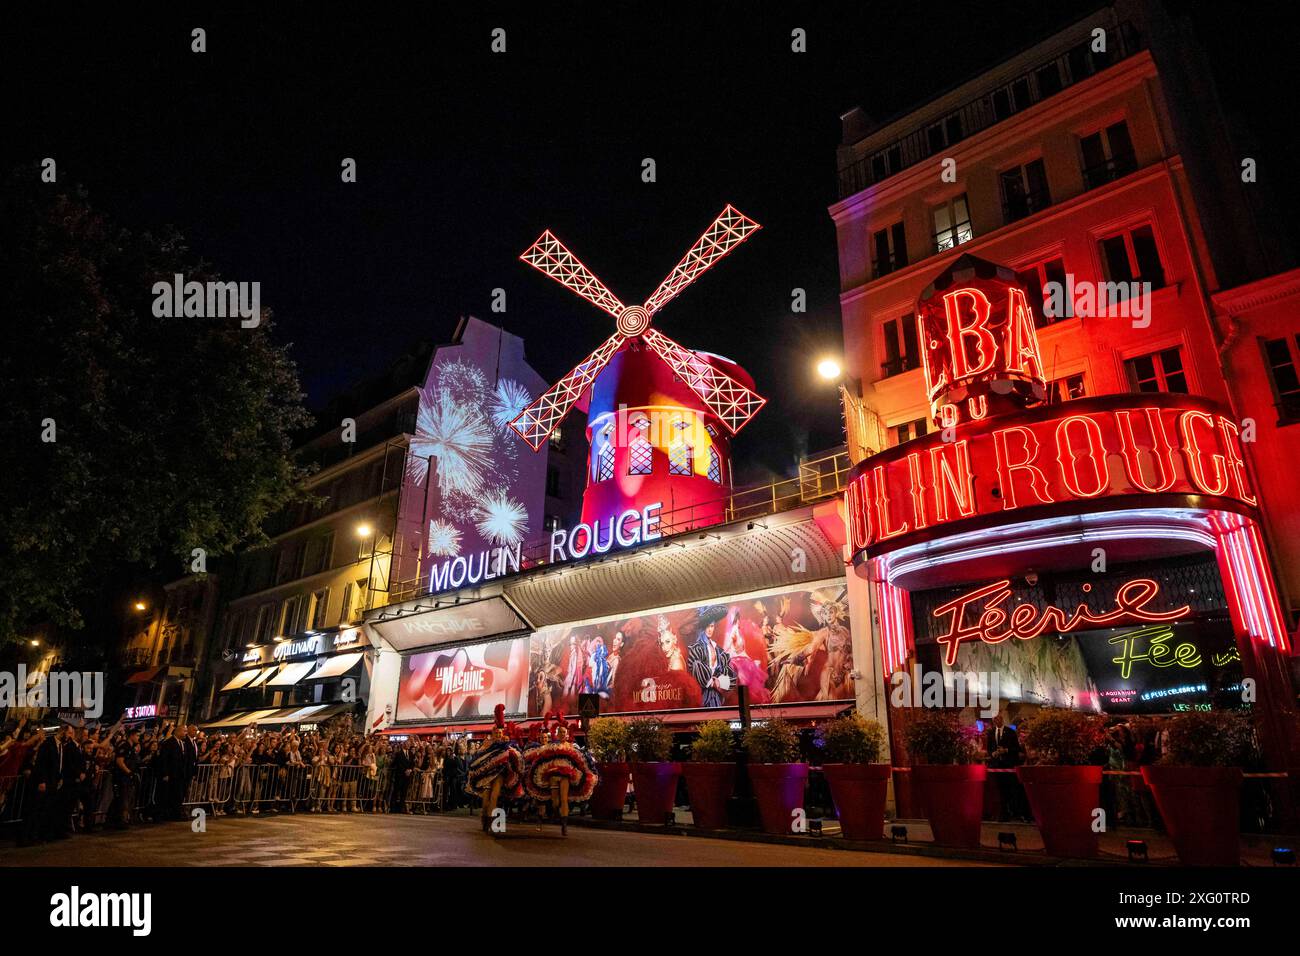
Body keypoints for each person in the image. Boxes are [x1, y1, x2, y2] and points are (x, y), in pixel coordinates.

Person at [523, 714, 598, 836]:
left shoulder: (572, 747)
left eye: (564, 732)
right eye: (560, 732)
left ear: (567, 734)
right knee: (555, 802)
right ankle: (555, 813)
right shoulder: (551, 746)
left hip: (566, 776)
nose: (562, 734)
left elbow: (581, 760)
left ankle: (564, 825)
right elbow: (540, 755)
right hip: (552, 776)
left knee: (564, 800)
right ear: (557, 735)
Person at [465, 705, 524, 833]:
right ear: (492, 733)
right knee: (486, 799)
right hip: (486, 775)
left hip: (499, 775)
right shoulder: (487, 743)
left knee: (494, 797)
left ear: (502, 733)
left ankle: (491, 823)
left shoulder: (506, 744)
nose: (498, 734)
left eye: (499, 733)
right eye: (496, 732)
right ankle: (485, 821)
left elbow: (516, 756)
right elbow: (478, 757)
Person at [685, 606, 734, 709]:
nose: (709, 629)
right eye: (707, 626)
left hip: (717, 696)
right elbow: (694, 669)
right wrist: (712, 683)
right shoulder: (696, 649)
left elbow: (729, 674)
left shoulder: (719, 650)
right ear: (702, 628)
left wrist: (720, 682)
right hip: (702, 696)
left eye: (712, 626)